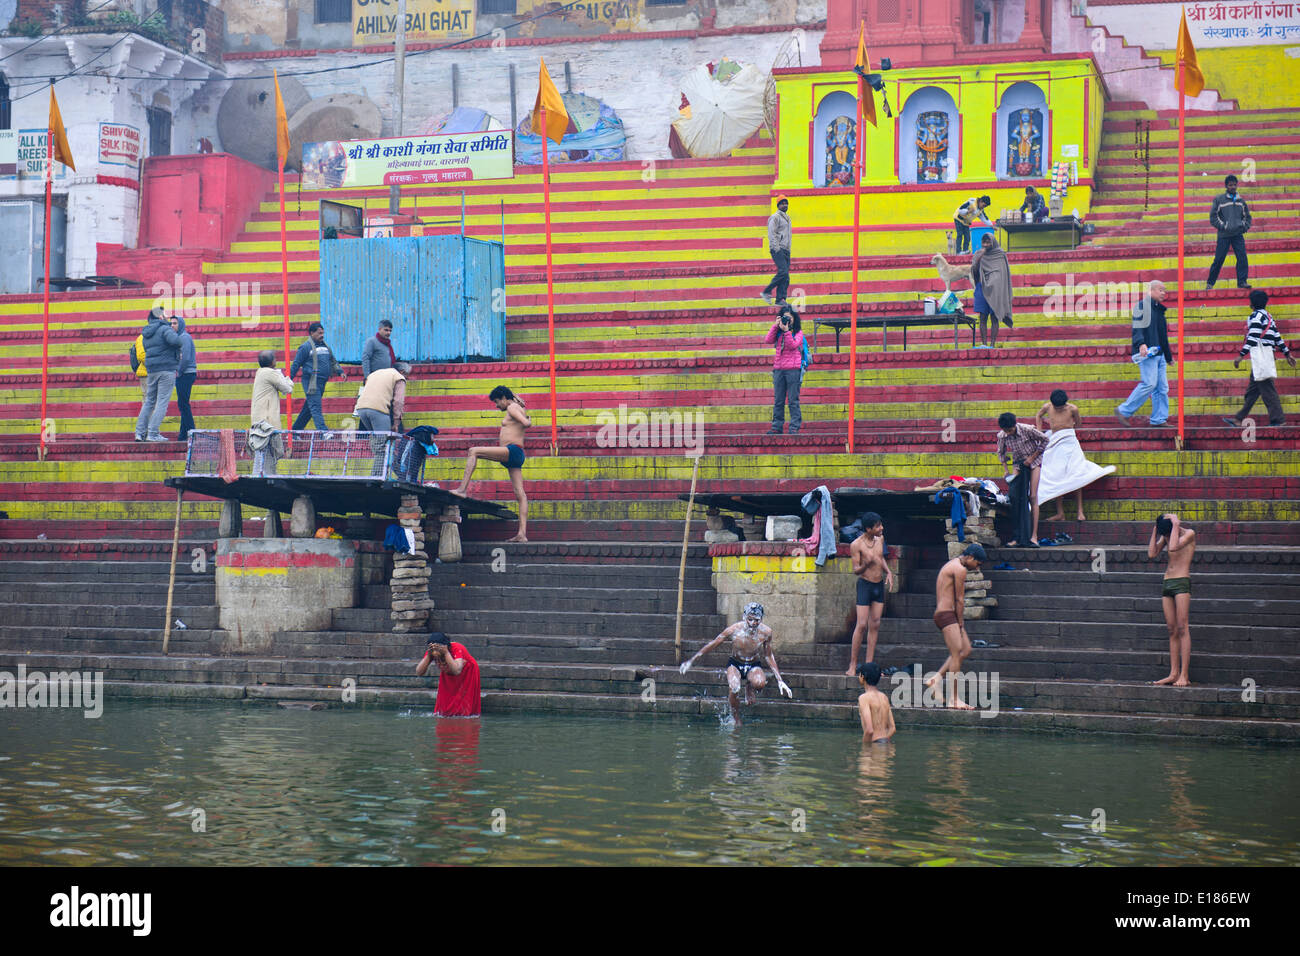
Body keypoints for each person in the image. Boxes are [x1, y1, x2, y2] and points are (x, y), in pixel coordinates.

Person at [679, 602, 793, 726]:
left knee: (760, 683)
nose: (753, 623)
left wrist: (779, 680)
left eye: (756, 620)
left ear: (761, 619)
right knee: (734, 688)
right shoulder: (734, 630)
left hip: (754, 664)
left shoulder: (766, 632)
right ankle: (736, 717)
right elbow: (714, 643)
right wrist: (693, 659)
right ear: (744, 617)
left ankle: (749, 686)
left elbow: (768, 655)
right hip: (735, 664)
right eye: (750, 619)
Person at [451, 386, 531, 543]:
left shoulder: (512, 407)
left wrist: (528, 420)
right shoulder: (518, 405)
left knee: (474, 451)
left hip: (512, 451)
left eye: (496, 402)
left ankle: (462, 490)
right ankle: (522, 534)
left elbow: (526, 424)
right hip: (516, 453)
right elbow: (519, 411)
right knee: (520, 494)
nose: (496, 406)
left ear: (503, 398)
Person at [1035, 389, 1115, 522]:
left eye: (1061, 407)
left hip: (1070, 443)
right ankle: (1060, 513)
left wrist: (1069, 426)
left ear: (1065, 404)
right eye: (1056, 407)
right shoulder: (1048, 407)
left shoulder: (1073, 409)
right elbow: (1038, 415)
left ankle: (1080, 512)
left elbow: (1078, 424)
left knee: (1076, 474)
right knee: (1056, 476)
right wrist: (1039, 432)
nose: (1059, 409)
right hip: (1055, 443)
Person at [1223, 289, 1294, 428]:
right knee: (1252, 391)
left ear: (1252, 304)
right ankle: (1239, 418)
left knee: (1268, 390)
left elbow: (1253, 337)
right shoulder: (1268, 316)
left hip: (1261, 359)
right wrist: (1287, 353)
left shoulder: (1255, 317)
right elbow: (1277, 337)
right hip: (1266, 357)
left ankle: (1278, 420)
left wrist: (1241, 356)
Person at [926, 544, 985, 709]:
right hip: (947, 615)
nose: (977, 568)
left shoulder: (953, 564)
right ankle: (954, 699)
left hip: (946, 615)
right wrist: (960, 622)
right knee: (957, 653)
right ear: (971, 557)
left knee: (965, 649)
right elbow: (959, 599)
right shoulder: (959, 569)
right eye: (978, 564)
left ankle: (935, 679)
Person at [1148, 514, 1196, 687]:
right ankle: (1173, 673)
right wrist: (1156, 529)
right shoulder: (1168, 535)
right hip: (1167, 582)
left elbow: (1174, 547)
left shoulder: (1189, 533)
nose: (1166, 538)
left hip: (1182, 582)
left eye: (1166, 533)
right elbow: (1152, 553)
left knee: (1183, 627)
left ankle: (1184, 675)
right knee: (1171, 629)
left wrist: (1175, 523)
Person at [1115, 280, 1171, 427]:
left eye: (1164, 290)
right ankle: (1124, 411)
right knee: (1149, 384)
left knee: (1162, 388)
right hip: (1147, 353)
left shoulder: (1159, 310)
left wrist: (1169, 357)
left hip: (1160, 355)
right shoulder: (1142, 306)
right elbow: (1137, 327)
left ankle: (1159, 419)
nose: (1163, 293)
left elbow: (1163, 336)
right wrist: (1141, 343)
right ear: (1151, 290)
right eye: (1160, 290)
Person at [846, 511, 892, 675]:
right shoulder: (856, 545)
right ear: (868, 528)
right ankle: (853, 665)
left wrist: (889, 572)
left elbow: (880, 558)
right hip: (865, 585)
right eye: (878, 526)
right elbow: (856, 570)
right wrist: (866, 564)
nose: (881, 528)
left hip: (878, 585)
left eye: (880, 524)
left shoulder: (880, 539)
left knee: (876, 624)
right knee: (862, 625)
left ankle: (869, 665)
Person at [996, 412, 1048, 547]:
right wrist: (1006, 470)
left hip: (1034, 461)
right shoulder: (1002, 436)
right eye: (1006, 430)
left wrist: (1032, 457)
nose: (1008, 432)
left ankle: (1034, 536)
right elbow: (1001, 453)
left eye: (1010, 430)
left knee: (1032, 496)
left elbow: (1045, 440)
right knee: (1015, 498)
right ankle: (1017, 537)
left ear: (1015, 425)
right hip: (1018, 464)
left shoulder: (1027, 429)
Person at [354, 361, 410, 476]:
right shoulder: (399, 377)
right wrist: (396, 422)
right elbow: (398, 402)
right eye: (407, 376)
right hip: (378, 410)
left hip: (361, 409)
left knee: (381, 444)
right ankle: (376, 477)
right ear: (403, 372)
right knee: (383, 448)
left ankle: (401, 474)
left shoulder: (375, 374)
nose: (407, 379)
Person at [134, 307, 181, 443]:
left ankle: (139, 433)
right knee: (162, 402)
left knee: (149, 402)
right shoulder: (164, 329)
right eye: (165, 314)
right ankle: (153, 433)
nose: (166, 317)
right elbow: (177, 341)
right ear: (160, 317)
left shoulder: (146, 333)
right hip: (166, 369)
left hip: (152, 370)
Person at [290, 321, 345, 432]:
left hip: (322, 382)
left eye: (323, 333)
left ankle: (295, 431)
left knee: (309, 409)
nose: (322, 335)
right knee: (315, 407)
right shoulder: (305, 347)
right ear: (311, 333)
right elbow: (296, 364)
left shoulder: (325, 346)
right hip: (311, 382)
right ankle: (323, 432)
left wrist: (340, 371)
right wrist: (287, 379)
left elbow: (332, 360)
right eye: (319, 333)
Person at [248, 350, 293, 476]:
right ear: (273, 361)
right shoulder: (270, 373)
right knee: (265, 452)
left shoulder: (260, 372)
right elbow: (287, 389)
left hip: (259, 419)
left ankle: (264, 476)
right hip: (266, 420)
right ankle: (262, 477)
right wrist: (286, 378)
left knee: (262, 452)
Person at [415, 632, 482, 716]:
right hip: (447, 674)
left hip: (467, 673)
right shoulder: (431, 651)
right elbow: (419, 672)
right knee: (444, 707)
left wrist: (446, 653)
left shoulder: (456, 648)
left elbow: (457, 670)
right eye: (433, 649)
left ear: (445, 646)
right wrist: (429, 655)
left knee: (463, 705)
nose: (435, 652)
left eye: (437, 648)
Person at [764, 305, 805, 435]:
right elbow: (768, 340)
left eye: (789, 317)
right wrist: (776, 326)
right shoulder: (778, 332)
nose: (787, 319)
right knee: (778, 400)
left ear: (794, 318)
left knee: (793, 400)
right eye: (785, 317)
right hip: (779, 369)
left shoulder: (798, 332)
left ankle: (794, 427)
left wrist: (787, 331)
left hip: (793, 370)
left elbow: (792, 345)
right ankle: (777, 427)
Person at [1206, 174, 1252, 290]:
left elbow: (1247, 217)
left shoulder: (1241, 201)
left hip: (1237, 235)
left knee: (1242, 258)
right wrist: (1223, 226)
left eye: (1234, 185)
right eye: (1230, 185)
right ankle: (1210, 283)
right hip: (1224, 235)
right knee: (1219, 259)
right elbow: (1213, 217)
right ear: (1226, 186)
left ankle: (1242, 282)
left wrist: (1243, 227)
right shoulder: (1219, 200)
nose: (1233, 187)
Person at [970, 232, 1013, 348]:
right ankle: (984, 344)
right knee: (982, 317)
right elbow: (974, 271)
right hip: (981, 288)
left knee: (995, 317)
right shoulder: (978, 254)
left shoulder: (1000, 255)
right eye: (984, 242)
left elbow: (1004, 275)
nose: (986, 244)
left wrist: (996, 284)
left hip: (996, 290)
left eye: (988, 242)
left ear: (993, 242)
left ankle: (992, 344)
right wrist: (980, 256)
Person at [171, 315, 197, 443]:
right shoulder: (180, 337)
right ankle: (183, 435)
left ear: (180, 324)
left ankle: (192, 432)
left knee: (183, 405)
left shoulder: (184, 337)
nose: (172, 326)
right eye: (171, 324)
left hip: (186, 374)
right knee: (183, 404)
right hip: (184, 373)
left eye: (175, 323)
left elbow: (185, 358)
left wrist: (179, 372)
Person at [760, 196, 791, 305]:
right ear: (778, 206)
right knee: (783, 272)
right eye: (782, 203)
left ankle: (780, 299)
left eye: (786, 203)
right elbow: (771, 234)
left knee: (786, 276)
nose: (785, 205)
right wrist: (776, 248)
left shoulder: (787, 218)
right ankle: (766, 291)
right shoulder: (775, 217)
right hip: (778, 249)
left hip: (786, 250)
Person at [856, 662, 895, 743]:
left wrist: (866, 749)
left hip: (873, 746)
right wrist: (882, 743)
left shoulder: (864, 698)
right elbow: (892, 729)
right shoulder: (884, 697)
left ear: (862, 677)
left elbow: (869, 730)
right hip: (886, 744)